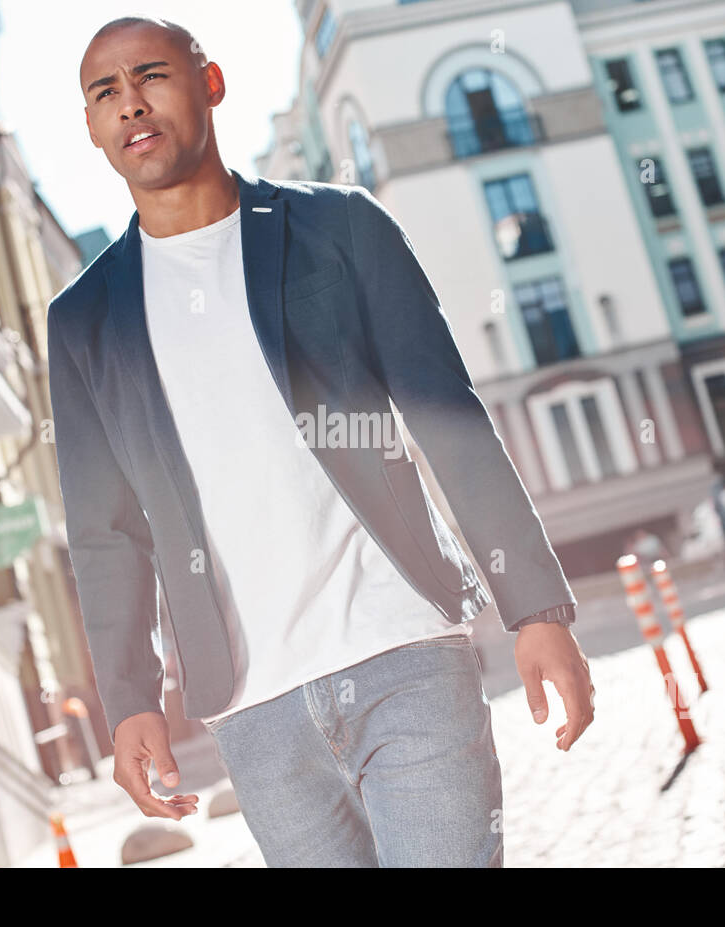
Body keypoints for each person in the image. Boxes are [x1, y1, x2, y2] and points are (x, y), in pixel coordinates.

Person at [47, 16, 594, 867]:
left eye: (150, 75)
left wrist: (536, 607)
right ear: (91, 128)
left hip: (405, 649)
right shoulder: (83, 321)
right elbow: (105, 530)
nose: (130, 105)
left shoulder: (340, 228)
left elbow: (446, 414)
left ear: (211, 83)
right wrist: (128, 701)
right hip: (254, 711)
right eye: (104, 93)